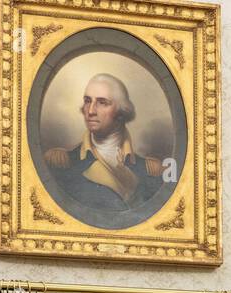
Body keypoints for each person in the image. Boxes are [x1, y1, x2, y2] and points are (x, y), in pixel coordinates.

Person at [43, 73, 165, 212]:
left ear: (121, 111)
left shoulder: (152, 170)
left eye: (102, 102)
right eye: (88, 101)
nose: (90, 111)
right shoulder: (60, 163)